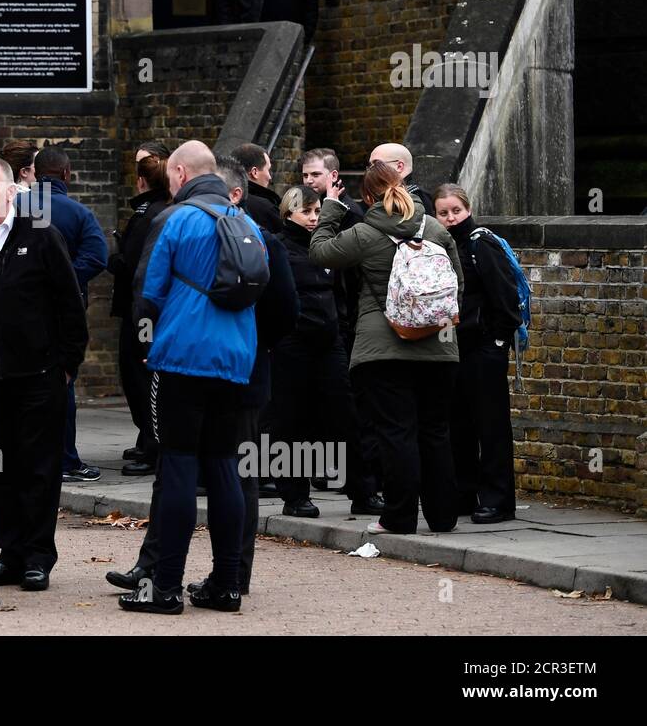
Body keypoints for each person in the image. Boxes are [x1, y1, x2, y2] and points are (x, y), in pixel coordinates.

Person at [108, 154, 297, 599]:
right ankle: (227, 585)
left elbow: (148, 294)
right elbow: (272, 301)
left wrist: (147, 347)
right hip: (236, 362)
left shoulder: (176, 220)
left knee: (177, 466)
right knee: (226, 467)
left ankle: (164, 588)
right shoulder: (249, 225)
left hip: (182, 359)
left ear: (181, 174)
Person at [309, 162, 463, 535]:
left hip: (384, 349)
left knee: (397, 432)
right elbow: (457, 282)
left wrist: (331, 208)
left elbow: (320, 252)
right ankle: (443, 516)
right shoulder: (435, 228)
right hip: (439, 346)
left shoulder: (365, 233)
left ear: (367, 197)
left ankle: (399, 517)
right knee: (436, 431)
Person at [0, 157, 89, 592]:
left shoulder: (40, 234)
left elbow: (70, 304)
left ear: (10, 191)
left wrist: (67, 365)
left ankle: (38, 556)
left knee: (39, 468)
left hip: (39, 375)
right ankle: (10, 553)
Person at [267, 185, 383, 518]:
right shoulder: (278, 247)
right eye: (306, 211)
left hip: (329, 342)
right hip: (291, 343)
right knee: (291, 421)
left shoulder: (327, 248)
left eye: (317, 211)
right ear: (289, 213)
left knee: (345, 416)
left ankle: (363, 491)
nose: (313, 218)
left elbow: (343, 294)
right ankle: (294, 496)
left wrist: (341, 330)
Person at [434, 183, 523, 525]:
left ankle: (498, 500)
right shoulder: (440, 247)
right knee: (459, 424)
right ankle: (465, 492)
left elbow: (505, 297)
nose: (451, 218)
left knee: (491, 426)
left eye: (456, 211)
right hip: (454, 347)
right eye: (443, 213)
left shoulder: (480, 244)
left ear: (468, 209)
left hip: (485, 348)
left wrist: (498, 341)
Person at [29, 146, 108, 483]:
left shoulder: (16, 207)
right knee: (63, 383)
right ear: (66, 174)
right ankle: (65, 461)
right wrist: (65, 279)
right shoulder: (78, 213)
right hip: (63, 313)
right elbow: (98, 256)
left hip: (19, 309)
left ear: (35, 174)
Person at [108, 142, 171, 477]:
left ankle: (152, 446)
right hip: (149, 309)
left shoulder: (148, 215)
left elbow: (132, 266)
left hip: (141, 311)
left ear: (142, 180)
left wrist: (112, 256)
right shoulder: (163, 210)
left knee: (140, 380)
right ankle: (147, 440)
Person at [368, 142, 435, 216]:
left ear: (399, 166)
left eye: (377, 164)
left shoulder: (417, 197)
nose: (371, 169)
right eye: (370, 165)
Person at [231, 142, 283, 234]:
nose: (270, 177)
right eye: (268, 170)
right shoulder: (266, 208)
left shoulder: (221, 199)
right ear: (254, 172)